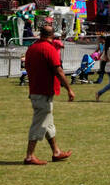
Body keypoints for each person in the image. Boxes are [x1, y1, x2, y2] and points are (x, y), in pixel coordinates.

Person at [23, 24, 75, 165]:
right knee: (39, 123)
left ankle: (56, 152)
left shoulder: (32, 48)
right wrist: (69, 89)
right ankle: (29, 155)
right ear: (52, 35)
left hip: (35, 90)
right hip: (43, 92)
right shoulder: (49, 49)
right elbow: (59, 71)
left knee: (48, 123)